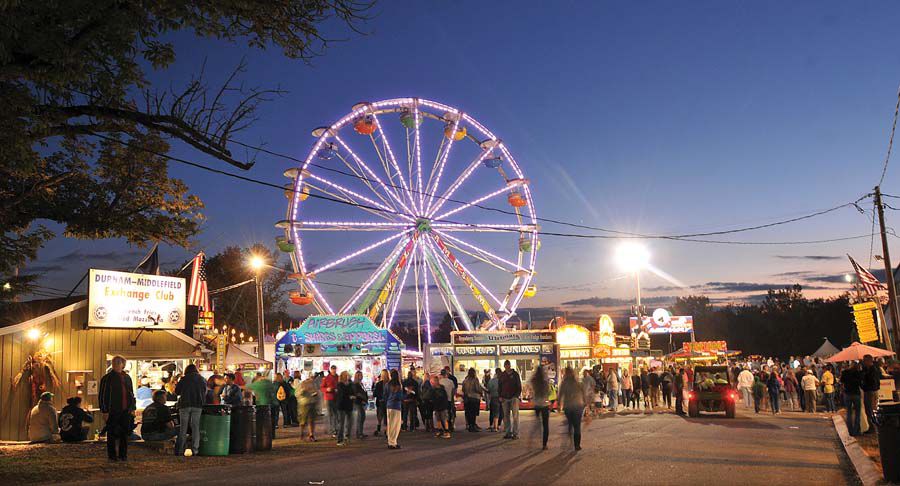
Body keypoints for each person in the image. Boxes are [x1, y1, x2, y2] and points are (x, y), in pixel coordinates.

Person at [99, 356, 136, 461]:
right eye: (114, 362)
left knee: (124, 432)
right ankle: (112, 456)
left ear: (123, 365)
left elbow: (131, 393)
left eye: (119, 362)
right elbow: (102, 395)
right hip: (113, 410)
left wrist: (132, 407)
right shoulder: (107, 378)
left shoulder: (127, 377)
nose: (116, 364)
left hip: (125, 410)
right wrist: (105, 410)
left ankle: (123, 455)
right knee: (111, 433)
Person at [174, 363, 207, 456]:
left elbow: (177, 392)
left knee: (183, 428)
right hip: (197, 405)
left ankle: (181, 450)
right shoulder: (202, 379)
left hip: (185, 405)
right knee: (195, 427)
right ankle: (195, 450)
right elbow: (205, 391)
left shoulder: (184, 379)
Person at [557, 367, 584, 451]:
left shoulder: (564, 383)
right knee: (577, 426)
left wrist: (559, 405)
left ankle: (570, 435)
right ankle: (577, 445)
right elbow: (583, 393)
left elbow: (560, 394)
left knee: (570, 423)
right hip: (578, 406)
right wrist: (586, 403)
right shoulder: (578, 382)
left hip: (568, 407)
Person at [247, 371, 276, 436]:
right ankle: (272, 434)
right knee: (272, 420)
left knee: (263, 421)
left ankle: (264, 434)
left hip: (263, 405)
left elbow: (246, 386)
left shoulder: (259, 384)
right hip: (273, 404)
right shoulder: (270, 383)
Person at [499, 360, 522, 439]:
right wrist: (500, 396)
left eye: (507, 365)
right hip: (505, 398)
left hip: (513, 398)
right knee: (506, 416)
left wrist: (516, 396)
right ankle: (508, 432)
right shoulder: (502, 375)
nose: (507, 367)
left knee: (515, 416)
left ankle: (515, 433)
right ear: (504, 366)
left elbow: (519, 386)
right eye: (505, 365)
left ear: (510, 365)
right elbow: (500, 386)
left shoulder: (515, 374)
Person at [530, 365, 551, 450]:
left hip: (537, 404)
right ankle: (544, 444)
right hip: (545, 404)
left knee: (537, 421)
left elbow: (531, 389)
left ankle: (534, 434)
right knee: (545, 425)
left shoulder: (534, 380)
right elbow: (548, 392)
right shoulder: (545, 381)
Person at [841, 361, 864, 436]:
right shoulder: (858, 373)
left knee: (849, 412)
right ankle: (856, 430)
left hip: (847, 393)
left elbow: (841, 381)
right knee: (857, 413)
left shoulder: (845, 372)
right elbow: (861, 383)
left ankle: (849, 430)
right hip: (856, 393)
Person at [862, 355, 881, 432]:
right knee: (870, 409)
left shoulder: (873, 370)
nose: (863, 362)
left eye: (864, 360)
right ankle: (872, 427)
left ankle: (873, 427)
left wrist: (864, 377)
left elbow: (872, 381)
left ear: (868, 361)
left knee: (870, 410)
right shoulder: (870, 369)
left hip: (871, 391)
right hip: (871, 390)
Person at [386, 369, 405, 449]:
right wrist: (406, 394)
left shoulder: (387, 384)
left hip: (389, 405)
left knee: (390, 425)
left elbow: (385, 394)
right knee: (395, 425)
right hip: (396, 406)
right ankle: (393, 442)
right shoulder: (398, 385)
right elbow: (400, 397)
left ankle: (391, 441)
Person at [297, 373, 319, 441]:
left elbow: (317, 392)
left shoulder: (314, 384)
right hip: (304, 404)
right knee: (303, 421)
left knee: (311, 420)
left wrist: (316, 395)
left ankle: (311, 435)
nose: (311, 379)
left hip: (312, 403)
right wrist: (303, 391)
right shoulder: (302, 384)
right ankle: (302, 433)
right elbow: (297, 394)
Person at [334, 371, 354, 446]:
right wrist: (349, 396)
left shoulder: (350, 384)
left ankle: (347, 436)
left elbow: (352, 392)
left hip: (349, 405)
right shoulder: (340, 384)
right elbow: (342, 394)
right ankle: (340, 440)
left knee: (349, 422)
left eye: (348, 375)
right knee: (341, 423)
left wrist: (352, 395)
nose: (348, 376)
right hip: (341, 405)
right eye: (346, 375)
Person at [321, 365, 339, 438]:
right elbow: (322, 388)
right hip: (329, 398)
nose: (334, 371)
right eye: (332, 370)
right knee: (331, 414)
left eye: (335, 370)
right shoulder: (326, 378)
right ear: (330, 370)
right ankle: (333, 429)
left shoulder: (338, 377)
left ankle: (335, 428)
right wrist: (327, 389)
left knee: (336, 414)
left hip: (336, 398)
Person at [352, 371, 368, 440]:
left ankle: (360, 432)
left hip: (362, 402)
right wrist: (362, 397)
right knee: (360, 418)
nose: (361, 377)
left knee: (362, 417)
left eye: (361, 375)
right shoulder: (355, 384)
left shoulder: (360, 384)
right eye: (359, 375)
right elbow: (357, 393)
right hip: (358, 402)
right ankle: (359, 433)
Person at [373, 370, 389, 436]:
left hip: (385, 402)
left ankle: (383, 429)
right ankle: (385, 429)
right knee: (383, 416)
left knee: (382, 416)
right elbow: (375, 393)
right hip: (382, 402)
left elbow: (375, 393)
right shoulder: (380, 384)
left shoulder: (380, 384)